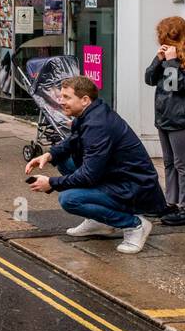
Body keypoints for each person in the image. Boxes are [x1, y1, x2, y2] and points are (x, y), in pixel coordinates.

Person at [25, 77, 167, 254]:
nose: (61, 102)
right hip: (115, 177)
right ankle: (98, 220)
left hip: (133, 188)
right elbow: (73, 141)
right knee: (62, 159)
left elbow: (89, 175)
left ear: (85, 100)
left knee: (69, 199)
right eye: (61, 97)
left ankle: (135, 225)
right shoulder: (90, 113)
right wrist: (49, 154)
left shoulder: (98, 125)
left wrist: (52, 183)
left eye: (67, 97)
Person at [145, 16, 185, 226]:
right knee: (169, 163)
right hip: (163, 117)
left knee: (181, 163)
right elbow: (149, 79)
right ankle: (172, 202)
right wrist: (158, 60)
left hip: (180, 119)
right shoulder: (168, 58)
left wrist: (171, 62)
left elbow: (177, 85)